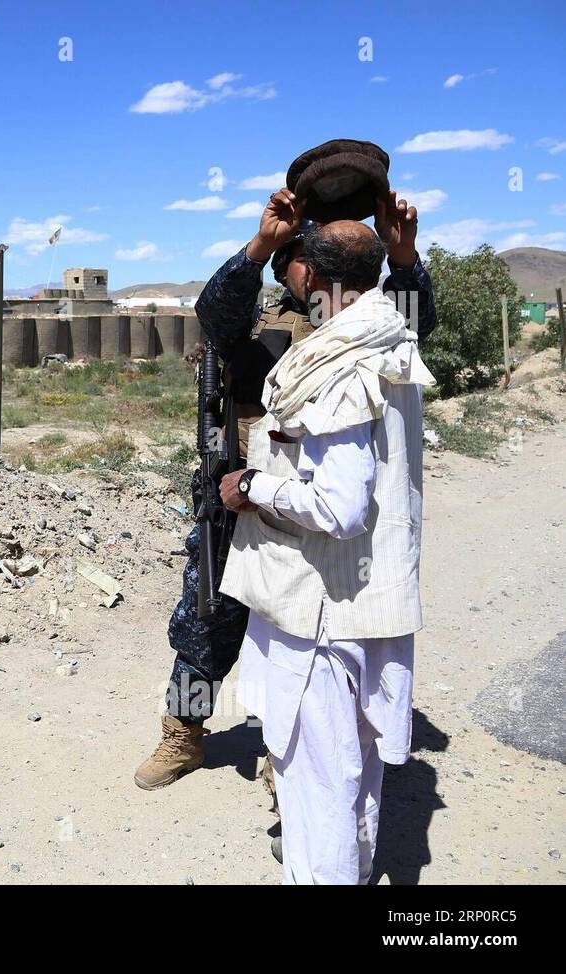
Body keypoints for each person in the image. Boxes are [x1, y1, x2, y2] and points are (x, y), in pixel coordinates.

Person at [134, 185, 434, 791]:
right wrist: (260, 242)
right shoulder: (254, 314)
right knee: (205, 620)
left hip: (310, 506)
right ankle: (183, 731)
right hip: (234, 495)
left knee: (296, 630)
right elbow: (214, 313)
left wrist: (403, 263)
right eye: (295, 256)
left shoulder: (354, 325)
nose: (305, 269)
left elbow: (412, 323)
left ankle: (286, 750)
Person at [218, 221, 433, 883]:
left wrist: (254, 486)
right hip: (366, 600)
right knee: (353, 770)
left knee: (317, 784)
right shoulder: (391, 336)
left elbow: (340, 508)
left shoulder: (342, 361)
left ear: (311, 274)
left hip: (322, 611)